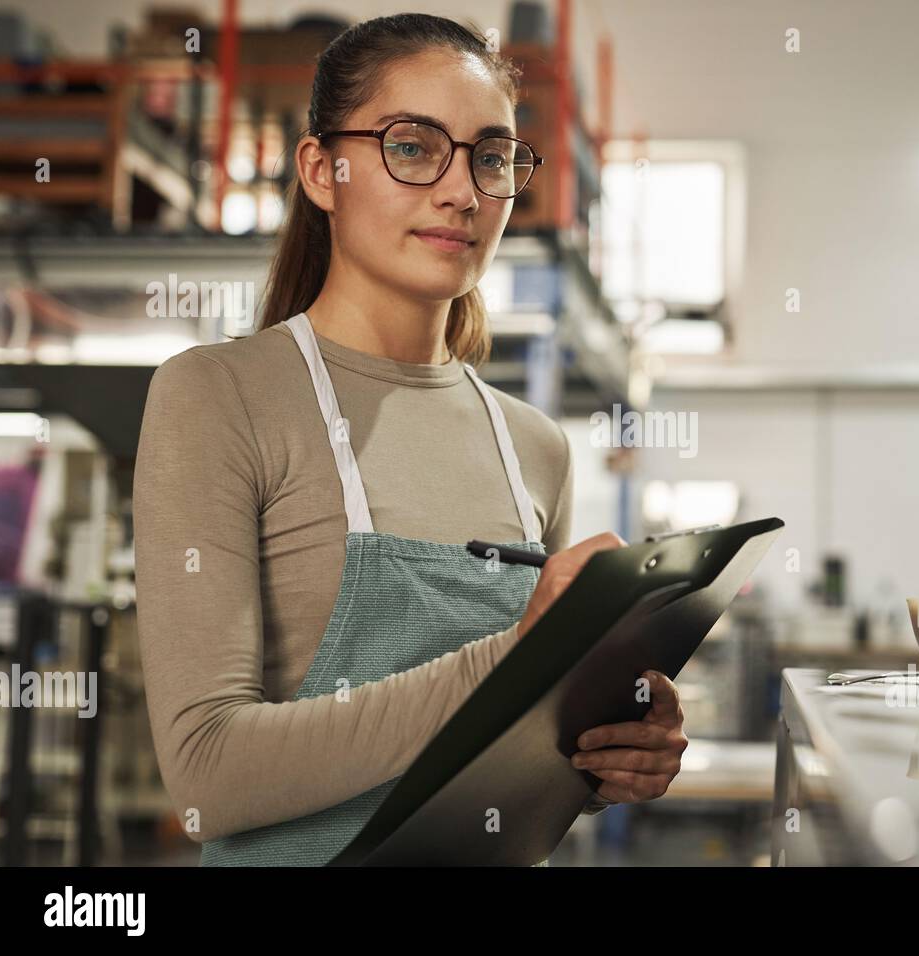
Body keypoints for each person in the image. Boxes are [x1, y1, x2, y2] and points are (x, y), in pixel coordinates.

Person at [133, 12, 687, 867]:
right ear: (323, 169)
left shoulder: (535, 448)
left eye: (491, 157)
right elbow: (209, 779)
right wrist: (512, 666)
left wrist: (607, 751)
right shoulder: (218, 396)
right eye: (413, 146)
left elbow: (513, 773)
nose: (463, 192)